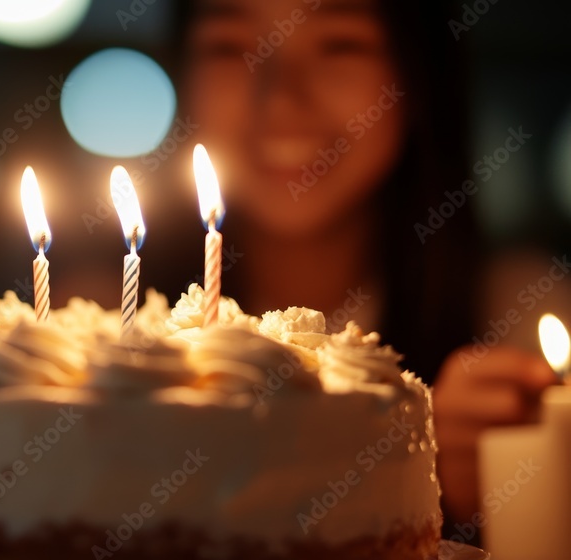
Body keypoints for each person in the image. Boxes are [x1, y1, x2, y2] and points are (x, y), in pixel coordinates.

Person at [173, 0, 563, 543]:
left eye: (340, 45)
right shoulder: (100, 345)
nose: (281, 97)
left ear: (418, 72)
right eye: (230, 47)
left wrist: (501, 483)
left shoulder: (524, 317)